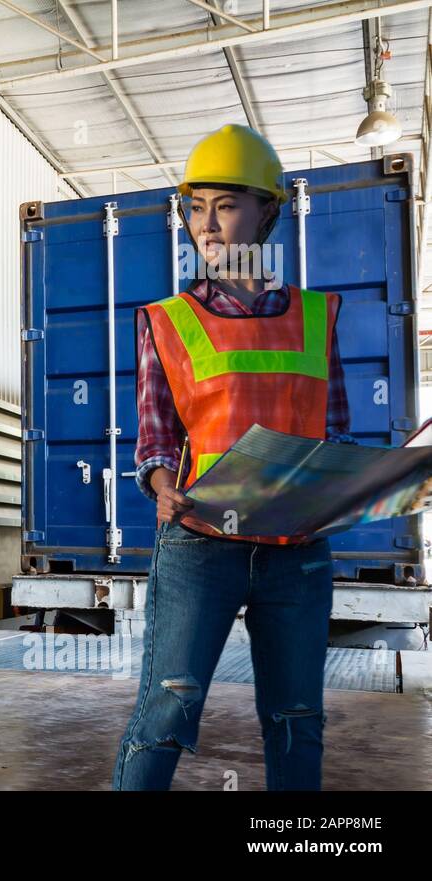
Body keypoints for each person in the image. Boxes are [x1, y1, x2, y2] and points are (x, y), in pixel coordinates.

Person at [111, 124, 355, 791]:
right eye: (195, 207)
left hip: (295, 551)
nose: (206, 224)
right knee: (164, 712)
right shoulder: (167, 320)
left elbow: (333, 431)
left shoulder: (315, 316)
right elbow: (156, 435)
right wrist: (161, 482)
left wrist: (364, 486)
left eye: (225, 205)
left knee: (297, 718)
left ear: (266, 212)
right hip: (199, 544)